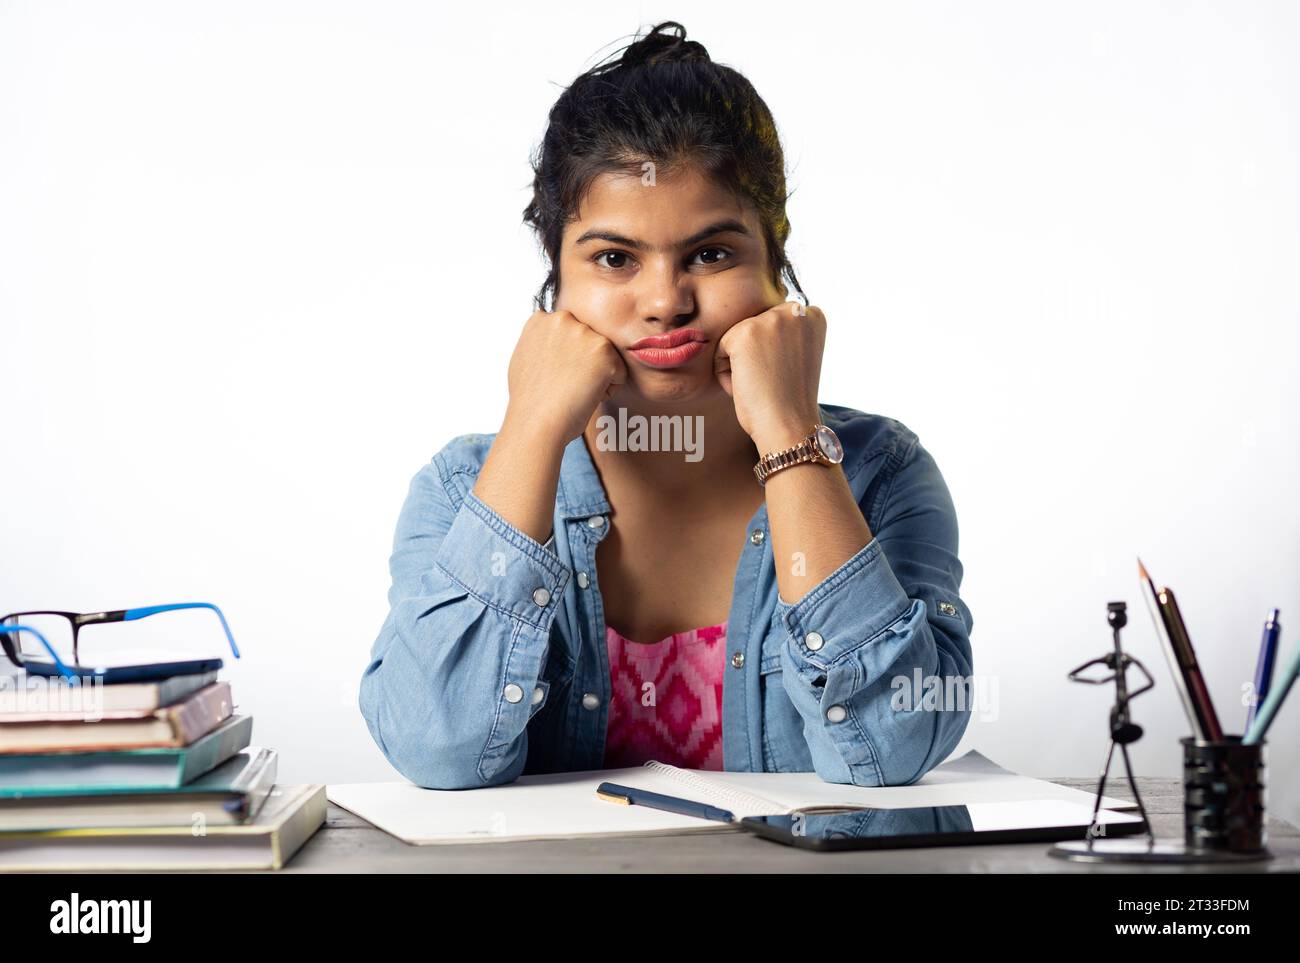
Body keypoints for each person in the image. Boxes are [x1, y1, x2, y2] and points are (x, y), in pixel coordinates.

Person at [359, 21, 974, 789]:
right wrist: (534, 425)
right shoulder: (460, 491)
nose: (664, 302)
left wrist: (790, 433)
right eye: (614, 258)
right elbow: (434, 749)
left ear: (775, 267)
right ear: (556, 279)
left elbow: (896, 744)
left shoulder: (882, 473)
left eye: (711, 254)